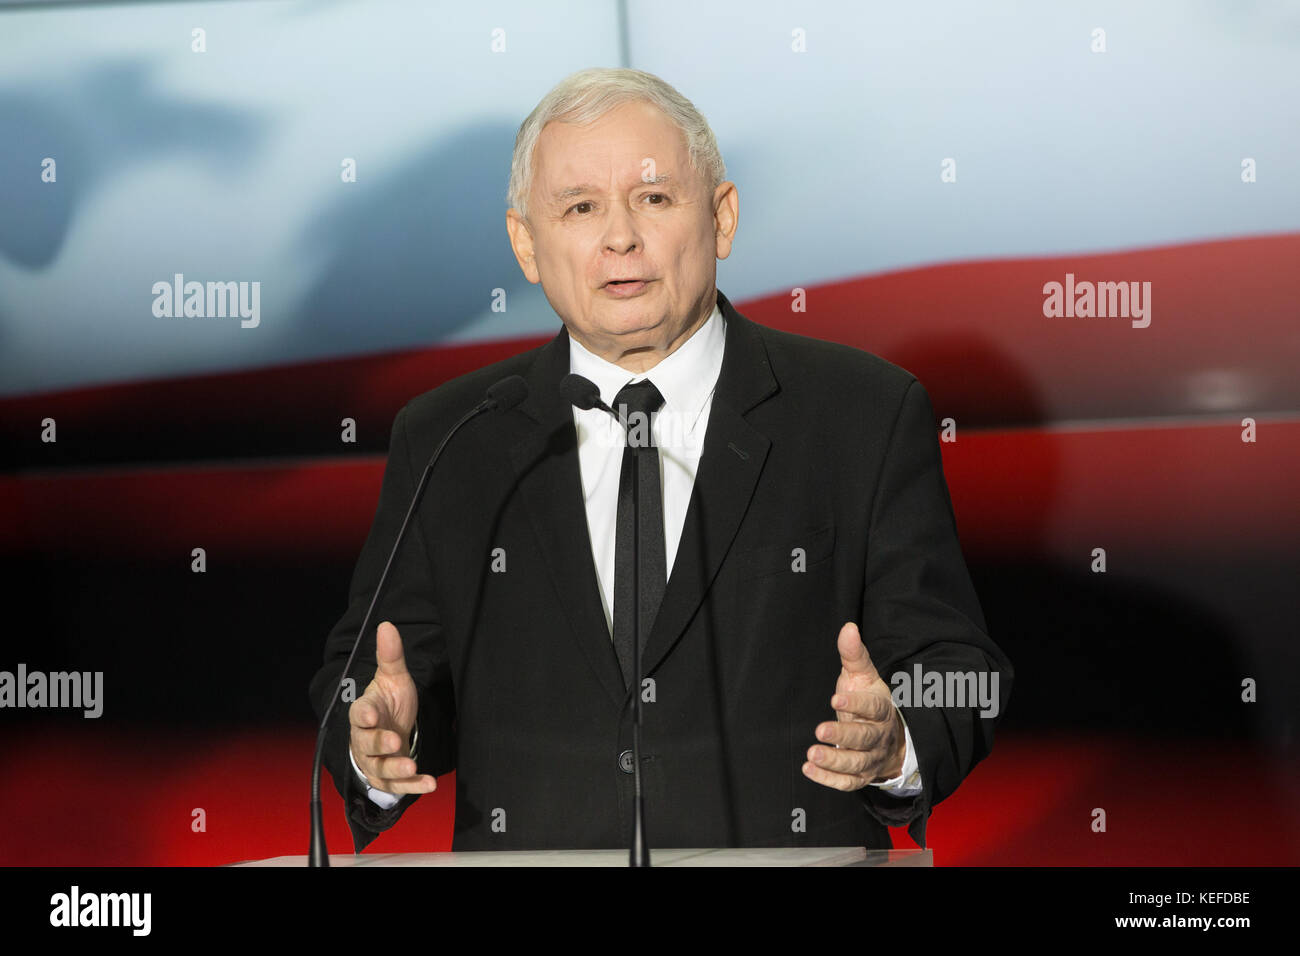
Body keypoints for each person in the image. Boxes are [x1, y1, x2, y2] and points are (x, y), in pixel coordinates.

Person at [309, 67, 1012, 854]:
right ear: (526, 245)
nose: (620, 238)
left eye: (653, 198)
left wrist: (896, 741)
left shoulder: (862, 414)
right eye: (580, 207)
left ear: (721, 218)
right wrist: (375, 740)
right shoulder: (451, 434)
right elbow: (369, 675)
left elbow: (956, 667)